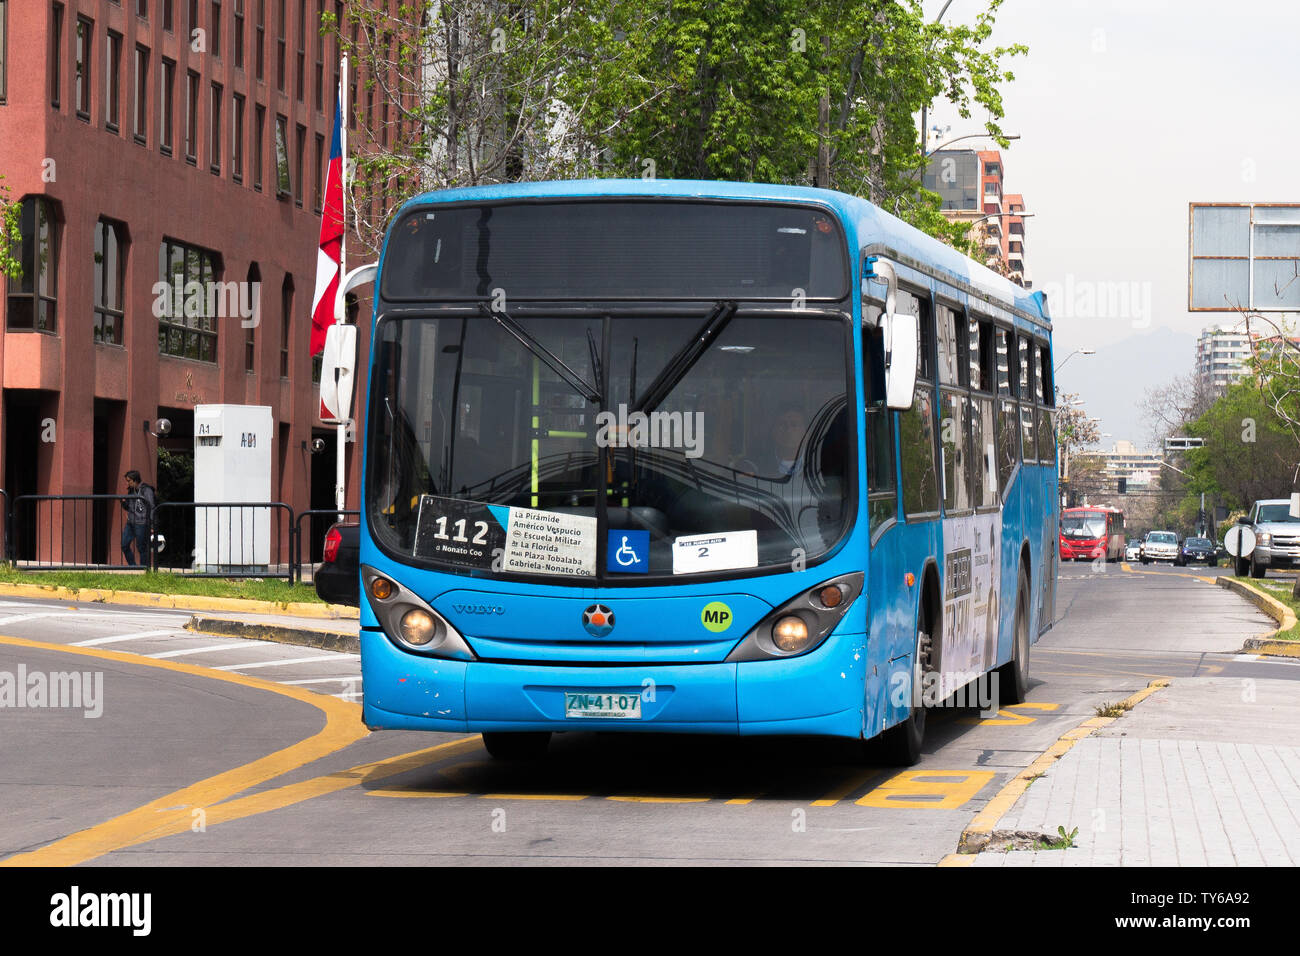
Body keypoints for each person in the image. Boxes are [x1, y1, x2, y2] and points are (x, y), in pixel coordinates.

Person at [121, 470, 157, 567]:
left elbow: (151, 506)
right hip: (131, 522)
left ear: (135, 480)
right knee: (124, 545)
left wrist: (152, 524)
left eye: (129, 481)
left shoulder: (146, 490)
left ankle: (143, 568)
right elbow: (128, 506)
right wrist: (123, 503)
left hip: (142, 522)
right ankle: (133, 566)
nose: (127, 483)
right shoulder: (131, 491)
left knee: (141, 547)